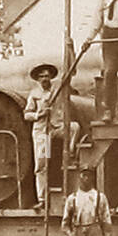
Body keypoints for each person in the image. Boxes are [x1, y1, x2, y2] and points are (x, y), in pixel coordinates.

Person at [24, 63, 79, 210]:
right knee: (42, 166)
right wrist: (38, 115)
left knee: (74, 128)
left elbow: (68, 76)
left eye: (47, 76)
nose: (44, 79)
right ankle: (42, 199)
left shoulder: (57, 90)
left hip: (57, 127)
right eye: (41, 76)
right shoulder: (34, 94)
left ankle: (72, 153)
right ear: (37, 79)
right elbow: (26, 114)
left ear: (51, 78)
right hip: (43, 132)